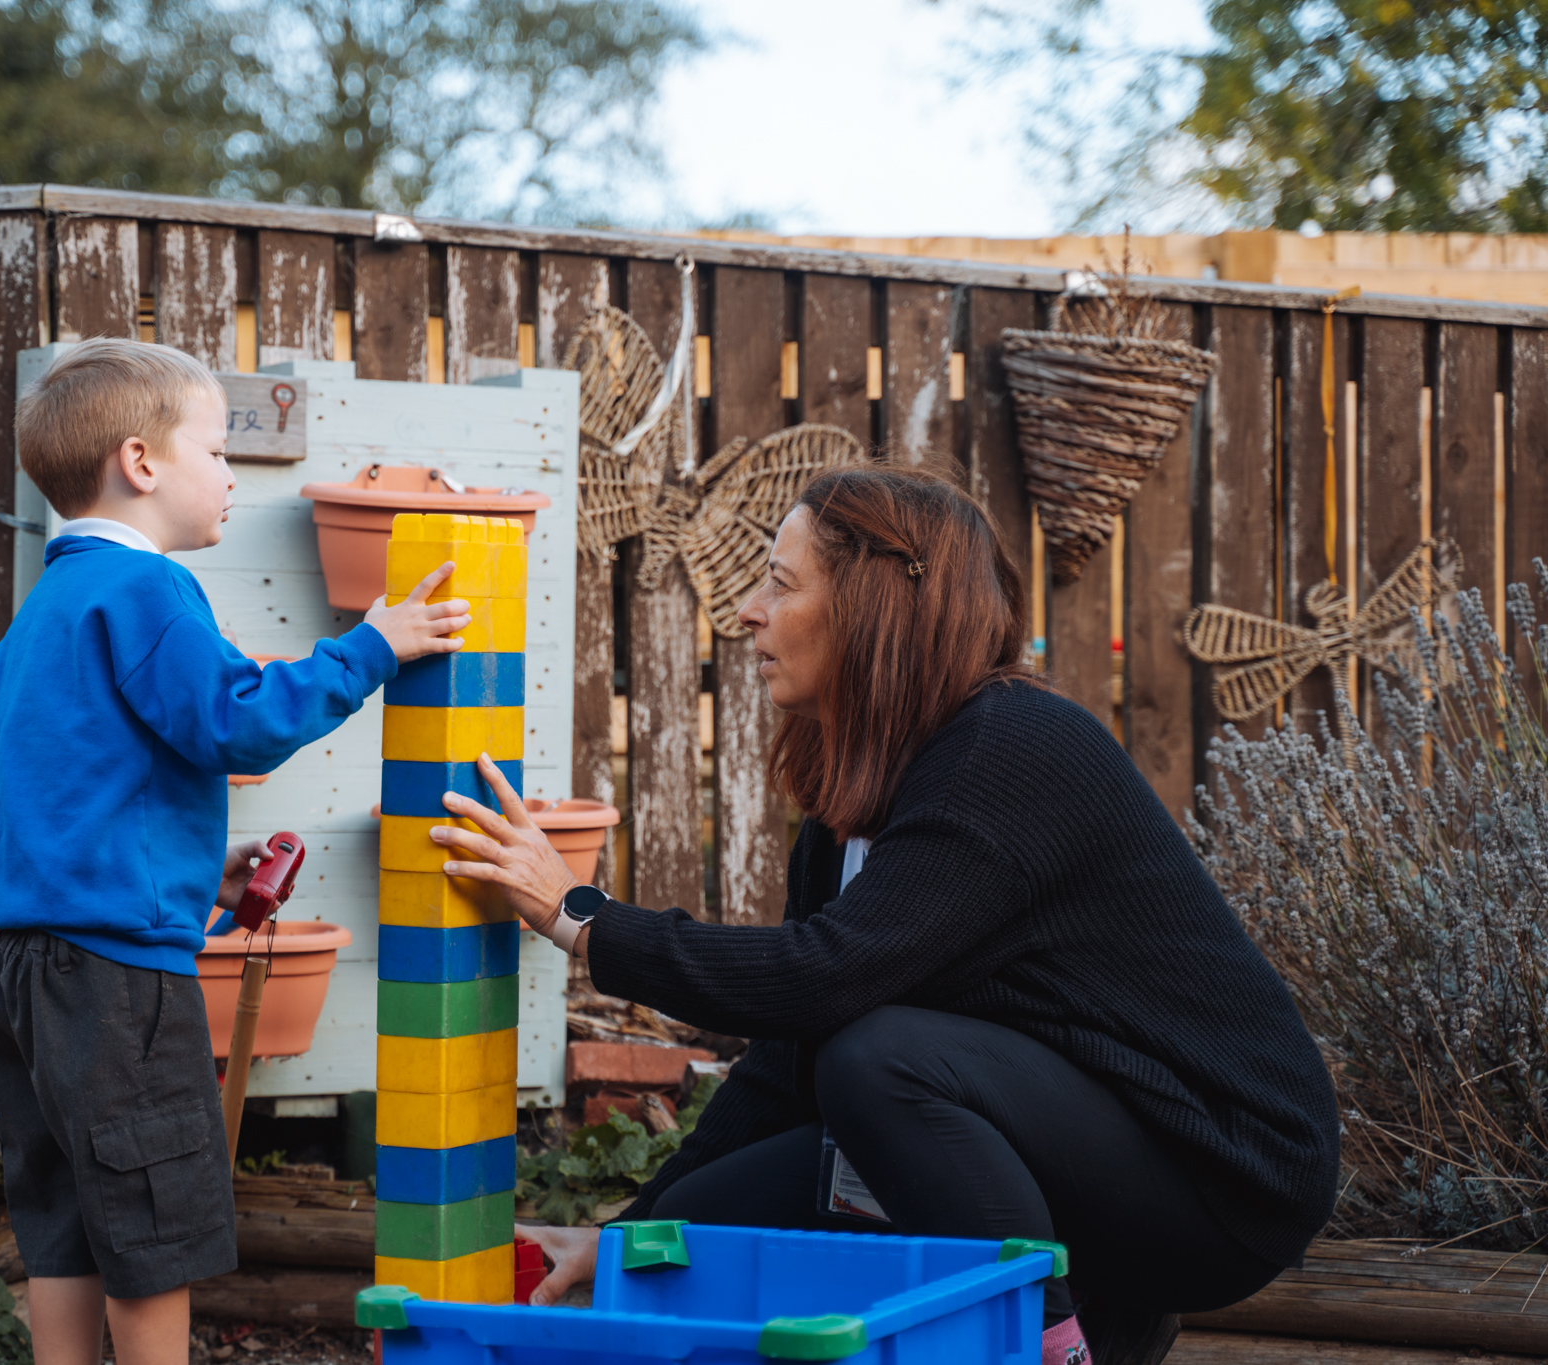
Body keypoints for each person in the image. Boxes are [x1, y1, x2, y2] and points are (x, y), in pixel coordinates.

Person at [431, 466, 1338, 1365]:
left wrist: (582, 916)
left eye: (780, 584)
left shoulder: (1012, 748)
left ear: (870, 605)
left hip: (1220, 1174)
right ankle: (1099, 1327)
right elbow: (782, 1066)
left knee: (879, 1060)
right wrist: (624, 1239)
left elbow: (821, 974)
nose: (746, 610)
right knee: (789, 1160)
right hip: (1081, 1153)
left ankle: (1043, 1346)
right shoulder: (852, 803)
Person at [0, 339, 472, 1365]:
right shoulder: (145, 593)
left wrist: (209, 872)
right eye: (216, 447)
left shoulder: (27, 631)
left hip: (23, 978)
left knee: (62, 1220)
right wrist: (371, 646)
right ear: (141, 463)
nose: (231, 472)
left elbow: (70, 808)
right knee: (153, 1232)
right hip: (118, 990)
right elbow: (235, 721)